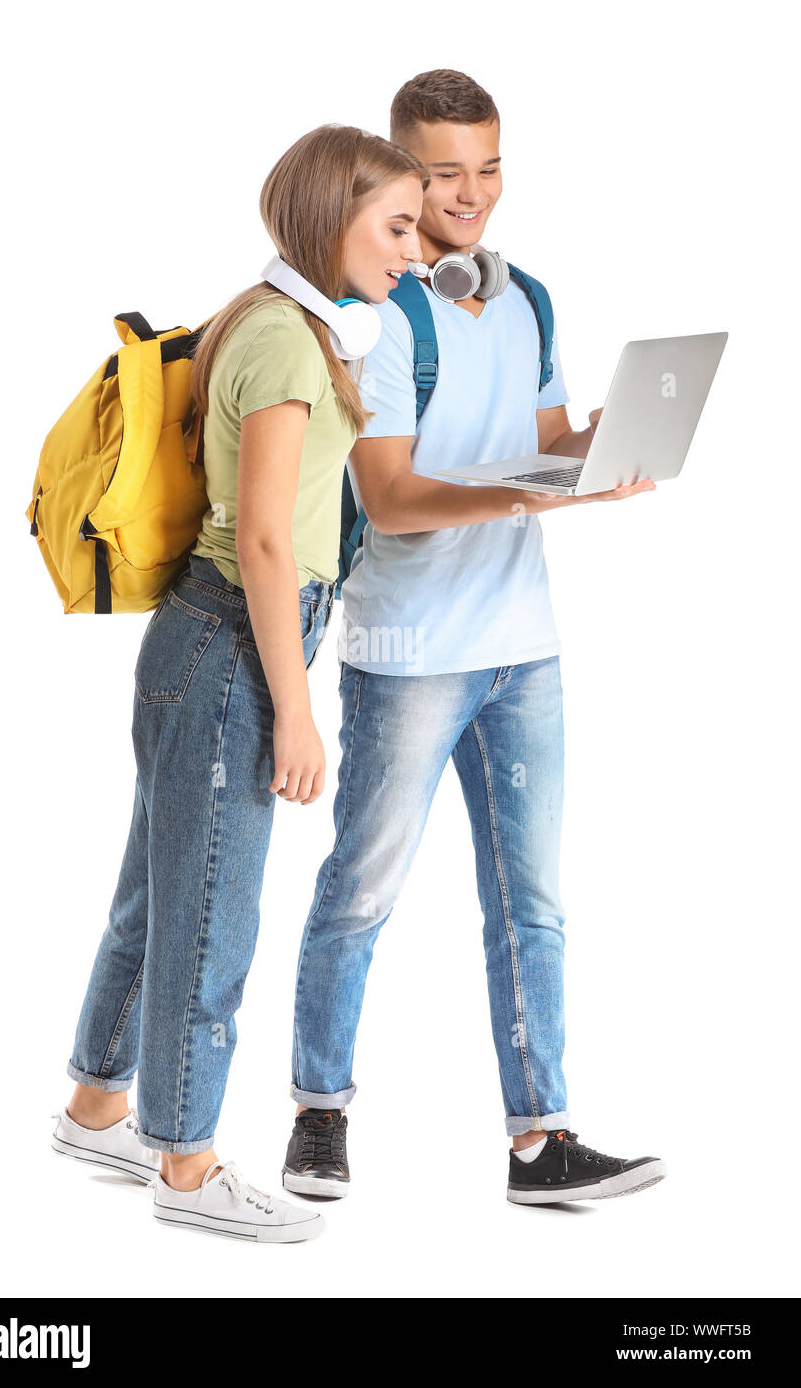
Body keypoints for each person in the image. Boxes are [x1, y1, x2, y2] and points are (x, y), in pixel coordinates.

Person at [283, 72, 667, 1206]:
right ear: (399, 176)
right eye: (443, 173)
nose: (470, 194)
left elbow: (543, 436)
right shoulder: (379, 313)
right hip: (409, 651)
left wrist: (609, 443)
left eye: (487, 167)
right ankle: (317, 1112)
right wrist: (528, 498)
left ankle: (541, 1143)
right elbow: (391, 497)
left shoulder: (527, 297)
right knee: (361, 888)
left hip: (523, 645)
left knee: (533, 902)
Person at [52, 124, 425, 1242]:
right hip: (230, 648)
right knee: (211, 912)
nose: (414, 250)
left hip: (208, 647)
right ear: (330, 218)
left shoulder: (289, 328)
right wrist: (295, 708)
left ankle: (95, 1102)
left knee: (162, 888)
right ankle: (187, 1160)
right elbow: (262, 539)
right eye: (395, 226)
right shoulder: (281, 341)